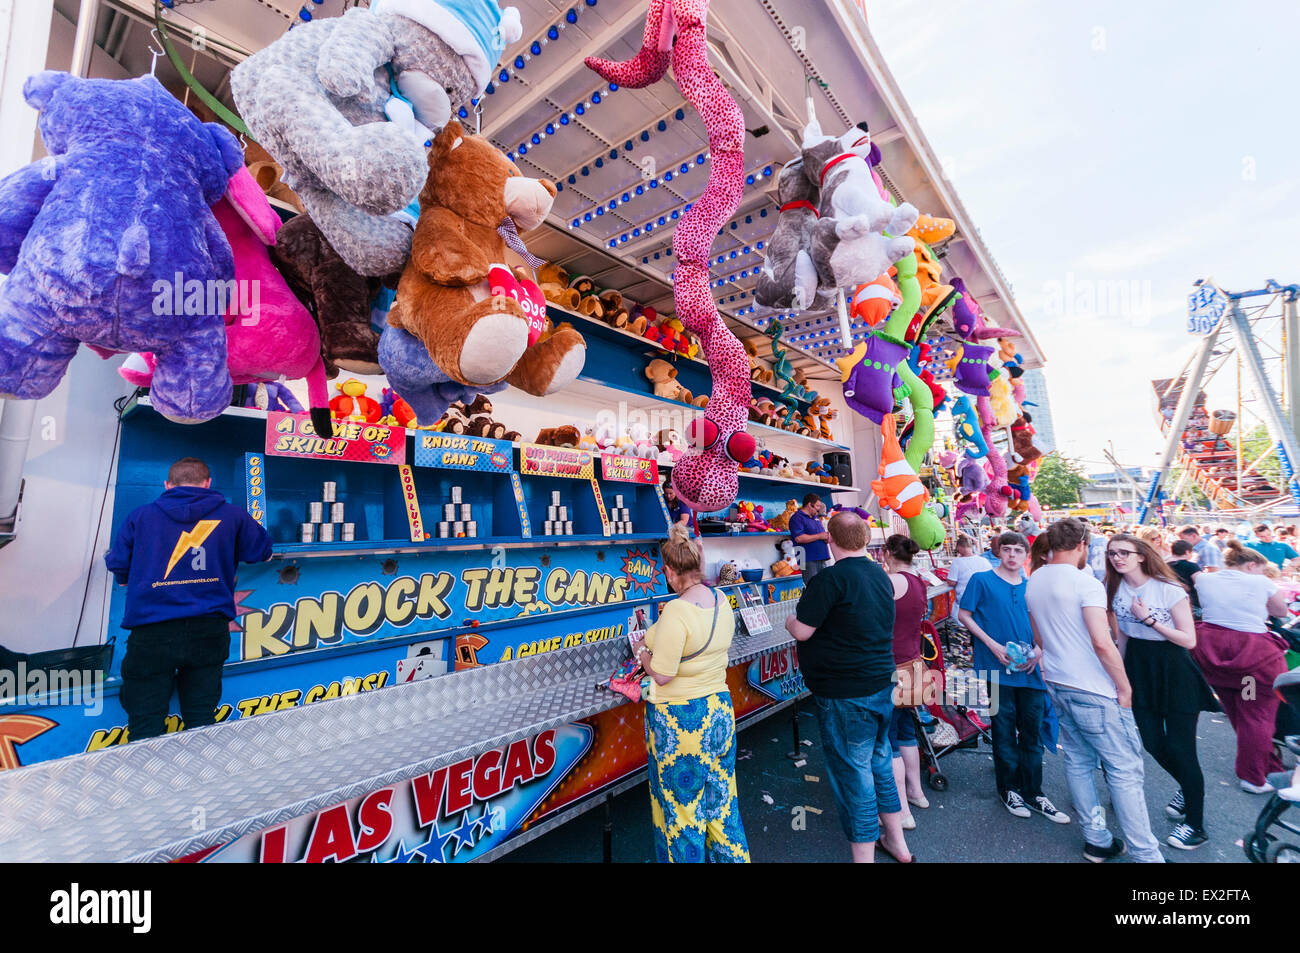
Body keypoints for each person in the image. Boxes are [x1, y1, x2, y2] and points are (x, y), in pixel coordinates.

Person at [1024, 518, 1165, 863]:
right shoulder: (1085, 583)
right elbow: (1103, 644)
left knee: (1079, 761)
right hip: (1091, 685)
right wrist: (1124, 685)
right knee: (1124, 768)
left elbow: (1038, 636)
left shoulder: (1036, 579)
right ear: (1082, 544)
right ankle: (1146, 854)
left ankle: (1097, 838)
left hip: (1058, 680)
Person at [104, 457, 273, 741]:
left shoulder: (141, 516)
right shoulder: (233, 515)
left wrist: (129, 575)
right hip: (208, 629)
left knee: (145, 724)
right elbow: (262, 552)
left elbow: (119, 564)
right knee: (201, 718)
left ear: (167, 485)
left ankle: (146, 783)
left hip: (152, 631)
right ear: (208, 483)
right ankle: (201, 779)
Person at [786, 511, 913, 863]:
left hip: (845, 692)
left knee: (853, 774)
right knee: (880, 762)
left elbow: (802, 631)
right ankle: (897, 842)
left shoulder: (829, 579)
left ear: (830, 539)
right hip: (880, 683)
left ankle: (863, 858)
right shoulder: (880, 575)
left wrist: (789, 620)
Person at [630, 522, 749, 862]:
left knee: (682, 815)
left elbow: (663, 675)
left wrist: (641, 651)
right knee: (722, 803)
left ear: (669, 571)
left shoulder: (676, 612)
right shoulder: (721, 600)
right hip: (719, 713)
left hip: (680, 722)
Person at [1104, 533, 1218, 850]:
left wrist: (1150, 619)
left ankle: (1196, 824)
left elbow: (1188, 640)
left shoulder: (1167, 589)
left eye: (1124, 552)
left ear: (1141, 555)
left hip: (1174, 667)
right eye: (1112, 553)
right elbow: (1123, 636)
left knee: (1181, 748)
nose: (1117, 558)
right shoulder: (1114, 588)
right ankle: (1187, 784)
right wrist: (1121, 676)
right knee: (1153, 743)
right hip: (1139, 668)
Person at [959, 531, 1069, 824]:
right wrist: (991, 644)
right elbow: (965, 614)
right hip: (997, 668)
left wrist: (1038, 650)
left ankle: (1034, 790)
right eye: (1006, 549)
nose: (1011, 555)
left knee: (1031, 729)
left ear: (1026, 555)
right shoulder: (982, 580)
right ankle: (1008, 789)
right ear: (998, 552)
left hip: (1030, 669)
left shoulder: (1032, 586)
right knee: (1004, 728)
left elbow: (1046, 623)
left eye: (1018, 551)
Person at [1192, 541, 1292, 794]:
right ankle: (1254, 776)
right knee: (1255, 716)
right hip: (1252, 659)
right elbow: (1281, 611)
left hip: (1215, 656)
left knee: (1240, 712)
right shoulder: (1260, 582)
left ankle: (1266, 764)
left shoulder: (1204, 579)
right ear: (1251, 565)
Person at [880, 534, 930, 831]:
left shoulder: (892, 582)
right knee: (906, 730)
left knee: (888, 738)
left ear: (886, 553)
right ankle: (917, 792)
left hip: (890, 665)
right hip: (913, 662)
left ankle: (900, 809)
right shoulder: (919, 581)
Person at [789, 493, 831, 579]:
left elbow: (820, 534)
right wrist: (819, 536)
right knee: (813, 587)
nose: (819, 509)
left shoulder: (815, 518)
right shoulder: (797, 518)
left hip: (821, 557)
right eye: (817, 506)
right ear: (809, 505)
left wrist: (826, 538)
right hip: (807, 559)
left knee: (824, 587)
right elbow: (799, 538)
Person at [946, 534, 992, 614]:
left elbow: (952, 582)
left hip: (964, 601)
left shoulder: (957, 562)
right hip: (983, 600)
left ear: (959, 547)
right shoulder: (984, 560)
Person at [1167, 540, 1202, 618]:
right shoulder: (1192, 566)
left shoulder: (1165, 566)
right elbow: (1200, 584)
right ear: (1187, 552)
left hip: (1170, 603)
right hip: (1191, 603)